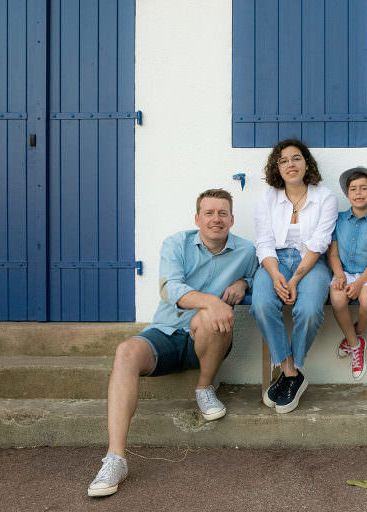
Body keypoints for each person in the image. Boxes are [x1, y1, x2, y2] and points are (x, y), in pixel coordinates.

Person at [87, 189, 257, 497]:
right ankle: (115, 458)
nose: (215, 219)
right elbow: (170, 288)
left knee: (207, 318)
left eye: (222, 213)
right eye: (209, 213)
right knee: (125, 352)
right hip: (165, 332)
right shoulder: (176, 243)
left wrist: (244, 282)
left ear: (232, 219)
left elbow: (262, 277)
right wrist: (212, 301)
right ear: (197, 219)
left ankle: (204, 387)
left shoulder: (247, 251)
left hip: (207, 340)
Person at [250, 138, 338, 414]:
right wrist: (275, 275)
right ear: (277, 167)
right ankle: (291, 373)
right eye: (284, 160)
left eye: (296, 158)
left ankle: (294, 368)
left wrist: (295, 279)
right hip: (274, 260)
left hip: (309, 262)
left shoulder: (325, 197)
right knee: (261, 305)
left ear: (306, 163)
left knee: (309, 310)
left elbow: (320, 243)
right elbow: (263, 241)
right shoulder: (267, 197)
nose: (291, 164)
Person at [328, 167, 367, 380]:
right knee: (337, 298)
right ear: (347, 194)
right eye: (353, 189)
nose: (358, 193)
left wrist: (360, 283)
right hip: (342, 272)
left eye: (364, 188)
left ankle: (353, 334)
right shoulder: (338, 219)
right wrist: (340, 275)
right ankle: (355, 344)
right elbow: (333, 254)